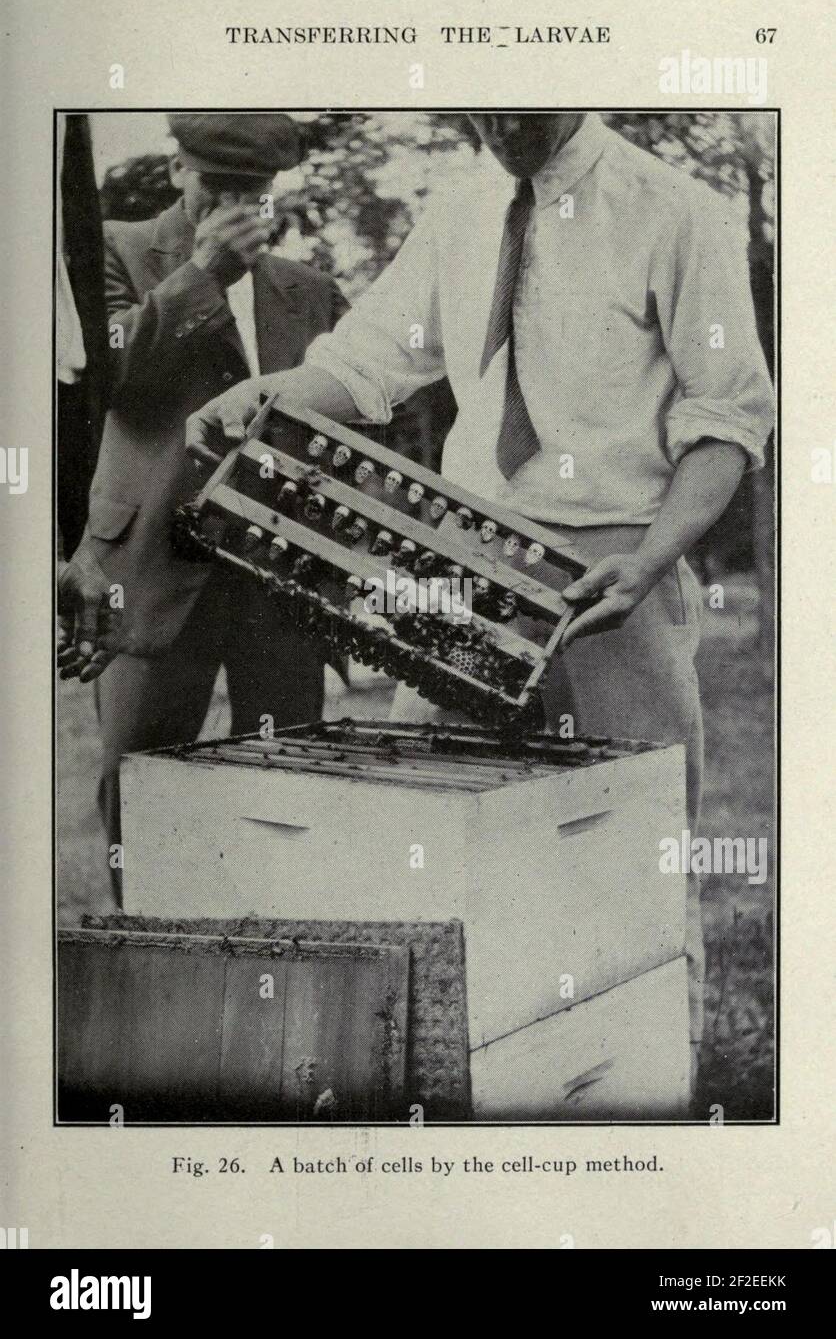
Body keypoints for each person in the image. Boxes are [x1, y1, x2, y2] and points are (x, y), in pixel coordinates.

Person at [187, 112, 774, 1085]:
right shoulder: (460, 208)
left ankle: (646, 1095)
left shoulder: (677, 213)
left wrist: (652, 556)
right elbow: (367, 360)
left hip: (610, 576)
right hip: (458, 569)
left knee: (629, 853)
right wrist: (269, 396)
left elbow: (726, 417)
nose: (498, 124)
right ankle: (467, 1090)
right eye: (478, 107)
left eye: (522, 106)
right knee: (428, 837)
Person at [59, 112, 348, 906]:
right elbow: (107, 378)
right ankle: (148, 947)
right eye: (217, 184)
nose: (233, 204)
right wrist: (202, 274)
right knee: (141, 779)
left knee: (287, 778)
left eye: (252, 191)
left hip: (280, 579)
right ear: (178, 169)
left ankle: (276, 944)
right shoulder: (111, 251)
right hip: (150, 559)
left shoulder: (309, 290)